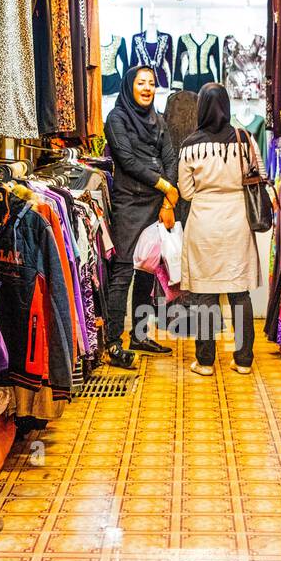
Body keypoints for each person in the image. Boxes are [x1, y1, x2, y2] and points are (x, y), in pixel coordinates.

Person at [176, 83, 261, 376]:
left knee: (204, 294)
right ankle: (244, 360)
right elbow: (258, 176)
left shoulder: (189, 145)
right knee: (240, 292)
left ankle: (205, 361)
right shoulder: (245, 139)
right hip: (238, 220)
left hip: (204, 223)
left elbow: (186, 193)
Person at [103, 65, 178, 367]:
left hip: (156, 203)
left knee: (147, 271)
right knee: (122, 272)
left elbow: (170, 157)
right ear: (129, 87)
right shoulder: (116, 119)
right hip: (130, 202)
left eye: (151, 83)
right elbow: (128, 160)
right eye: (141, 83)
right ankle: (111, 343)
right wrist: (164, 185)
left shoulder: (157, 119)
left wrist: (168, 198)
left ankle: (139, 335)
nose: (147, 88)